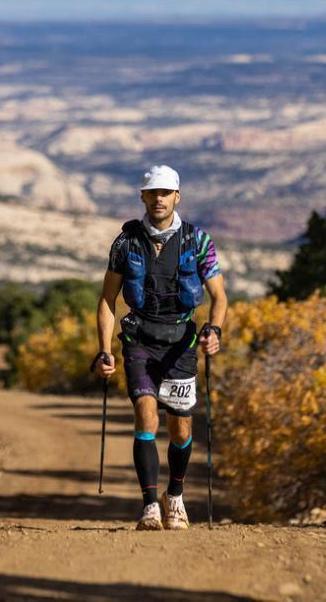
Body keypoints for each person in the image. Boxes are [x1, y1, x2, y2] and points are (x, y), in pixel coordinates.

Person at [93, 165, 228, 530]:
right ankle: (150, 505)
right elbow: (107, 299)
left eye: (165, 192)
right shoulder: (125, 243)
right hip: (139, 340)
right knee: (146, 415)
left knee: (181, 430)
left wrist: (214, 330)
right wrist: (104, 350)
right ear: (143, 196)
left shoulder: (198, 242)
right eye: (152, 192)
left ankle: (175, 497)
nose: (159, 199)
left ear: (177, 197)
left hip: (181, 345)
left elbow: (219, 296)